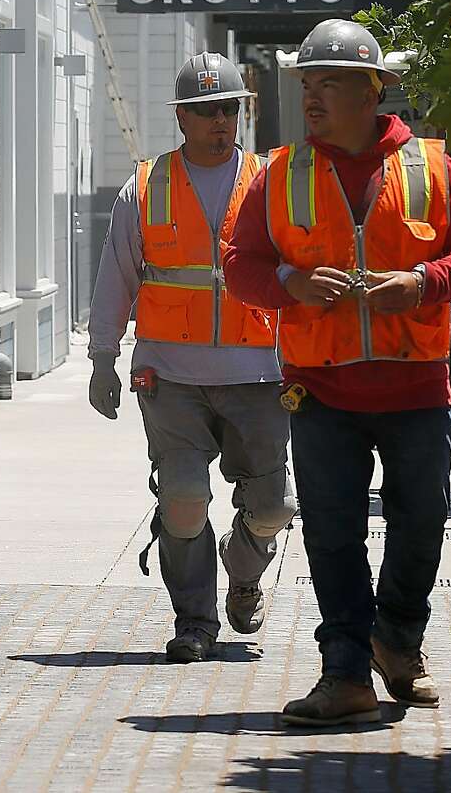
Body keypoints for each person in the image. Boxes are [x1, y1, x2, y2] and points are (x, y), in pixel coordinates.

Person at [224, 17, 451, 726]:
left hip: (417, 387)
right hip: (321, 390)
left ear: (373, 90)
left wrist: (426, 281)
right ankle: (345, 670)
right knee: (333, 533)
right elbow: (239, 265)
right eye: (306, 83)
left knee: (423, 520)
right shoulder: (281, 171)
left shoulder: (431, 166)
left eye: (329, 84)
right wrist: (290, 280)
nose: (311, 98)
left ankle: (398, 640)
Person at [88, 51, 295, 663]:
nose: (219, 122)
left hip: (259, 374)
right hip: (170, 377)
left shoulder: (268, 183)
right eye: (205, 111)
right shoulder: (146, 185)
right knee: (183, 501)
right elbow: (115, 277)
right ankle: (194, 622)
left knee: (272, 507)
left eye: (229, 109)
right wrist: (103, 356)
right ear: (181, 116)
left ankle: (245, 568)